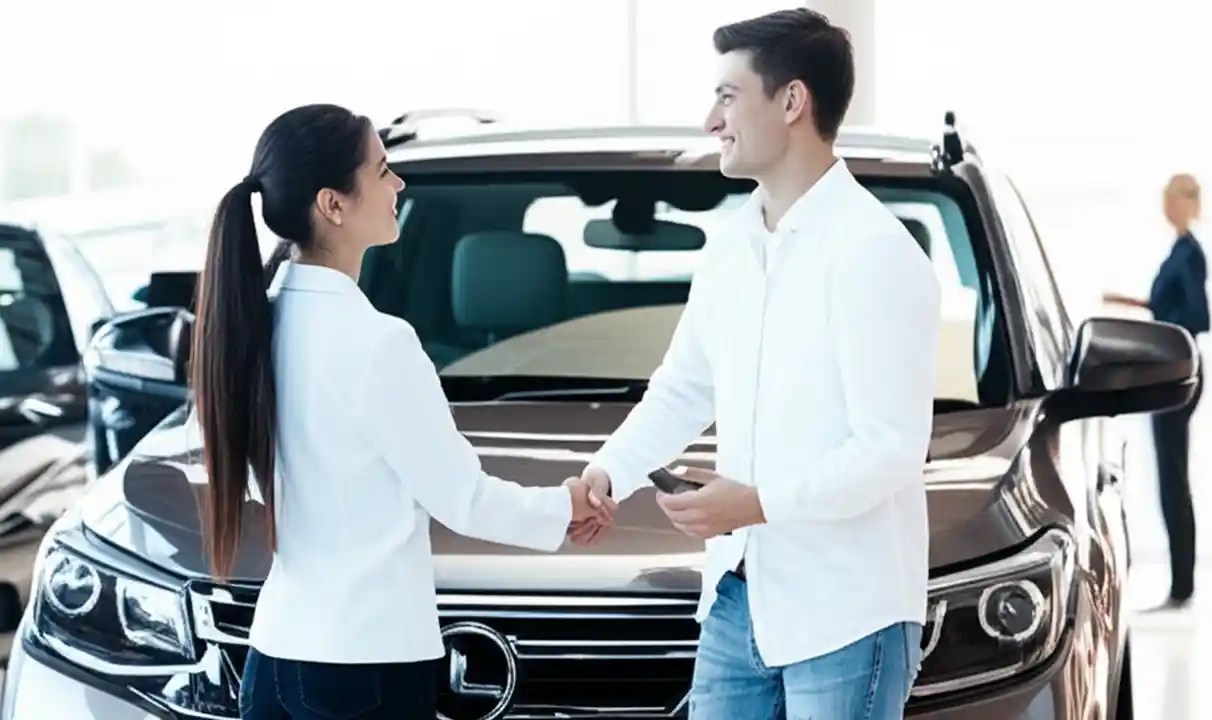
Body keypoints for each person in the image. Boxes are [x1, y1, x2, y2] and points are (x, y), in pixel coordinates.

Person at [566, 9, 940, 718]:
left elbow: (891, 447)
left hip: (846, 611)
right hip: (739, 595)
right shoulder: (734, 245)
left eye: (728, 96)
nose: (712, 120)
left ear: (792, 101)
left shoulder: (873, 253)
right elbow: (683, 389)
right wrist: (606, 471)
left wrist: (759, 503)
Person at [189, 104, 614, 719]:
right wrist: (565, 506)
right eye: (383, 171)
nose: (398, 185)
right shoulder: (376, 341)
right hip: (366, 670)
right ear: (333, 204)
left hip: (275, 658)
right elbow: (462, 498)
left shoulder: (247, 326)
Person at [1105, 172, 1209, 609]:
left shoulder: (1190, 254)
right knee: (1169, 478)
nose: (1166, 207)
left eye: (1171, 199)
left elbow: (1197, 316)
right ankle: (1179, 582)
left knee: (1174, 480)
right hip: (1170, 370)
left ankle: (1182, 584)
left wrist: (1160, 315)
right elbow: (1172, 305)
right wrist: (1139, 305)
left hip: (1178, 373)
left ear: (1187, 202)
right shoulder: (1178, 251)